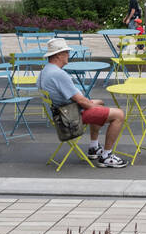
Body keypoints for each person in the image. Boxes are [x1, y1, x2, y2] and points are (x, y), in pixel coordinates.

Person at [37, 38, 127, 168]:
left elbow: (77, 99)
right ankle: (106, 157)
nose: (68, 55)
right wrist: (93, 106)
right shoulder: (58, 74)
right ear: (58, 55)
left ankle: (94, 147)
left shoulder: (44, 72)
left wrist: (95, 105)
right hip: (70, 117)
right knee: (119, 114)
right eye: (66, 52)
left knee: (99, 103)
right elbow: (81, 101)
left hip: (61, 112)